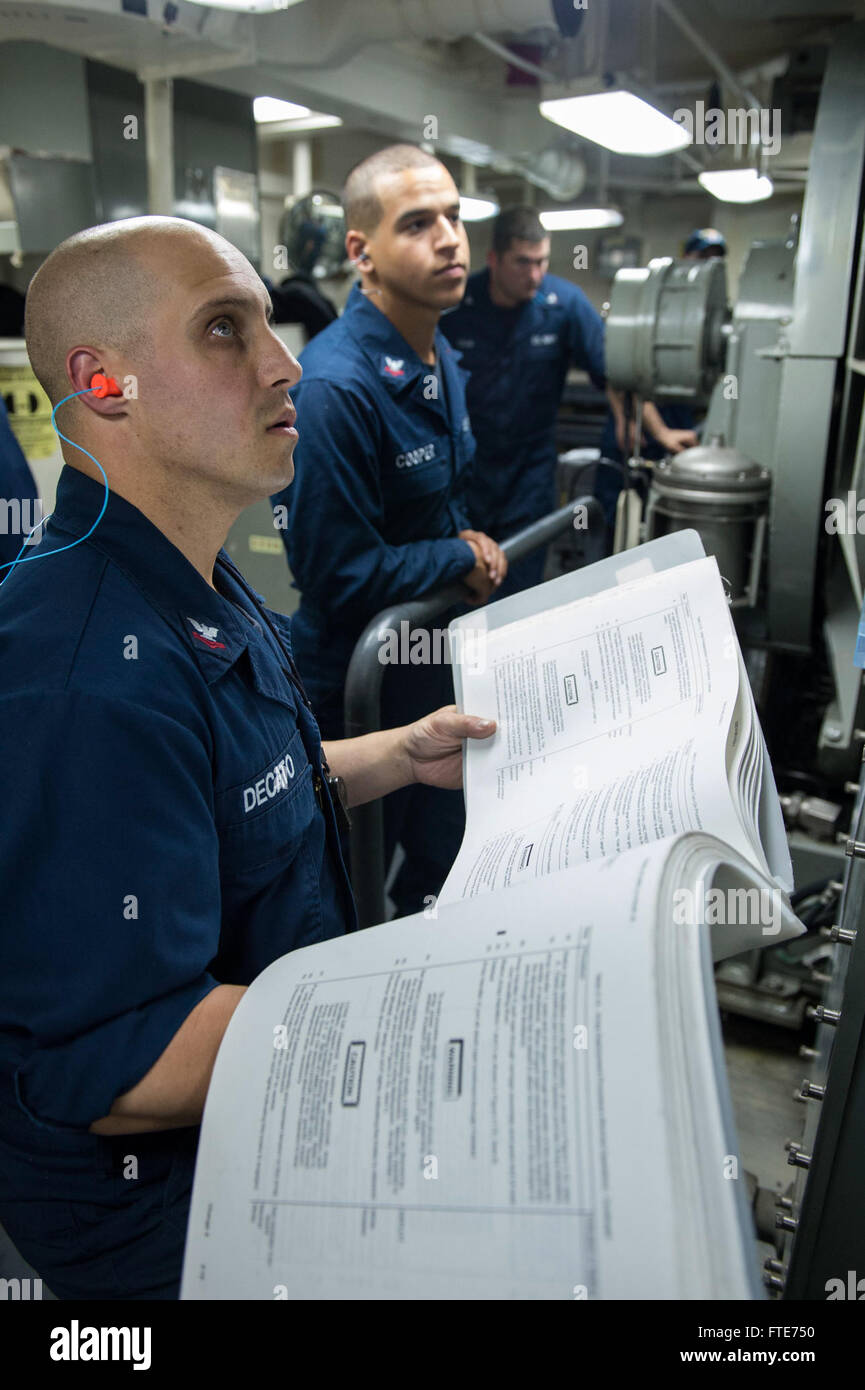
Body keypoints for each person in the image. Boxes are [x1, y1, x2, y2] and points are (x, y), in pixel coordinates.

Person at [0, 215, 498, 1300]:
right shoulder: (84, 674)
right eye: (225, 330)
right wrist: (445, 1005)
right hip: (178, 1219)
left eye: (267, 323)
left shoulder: (192, 583)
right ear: (105, 383)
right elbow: (121, 1060)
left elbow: (245, 787)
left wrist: (399, 755)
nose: (284, 366)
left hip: (265, 1121)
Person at [271, 144, 506, 919]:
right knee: (348, 895)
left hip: (433, 661)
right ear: (360, 253)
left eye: (454, 217)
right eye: (417, 223)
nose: (448, 238)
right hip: (357, 692)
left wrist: (457, 541)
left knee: (439, 859)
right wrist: (454, 556)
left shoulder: (437, 355)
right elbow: (334, 573)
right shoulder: (337, 387)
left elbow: (437, 504)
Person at [440, 204, 609, 596]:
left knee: (520, 595)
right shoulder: (455, 306)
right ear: (494, 259)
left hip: (529, 481)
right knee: (462, 598)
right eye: (522, 263)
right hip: (466, 481)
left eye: (542, 262)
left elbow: (615, 377)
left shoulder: (564, 305)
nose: (535, 275)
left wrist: (656, 429)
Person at [602, 227, 729, 467]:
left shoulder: (711, 311)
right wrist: (647, 426)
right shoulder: (655, 299)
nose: (709, 262)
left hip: (678, 416)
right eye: (702, 256)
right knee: (617, 490)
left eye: (716, 257)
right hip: (639, 419)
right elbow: (614, 369)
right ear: (686, 257)